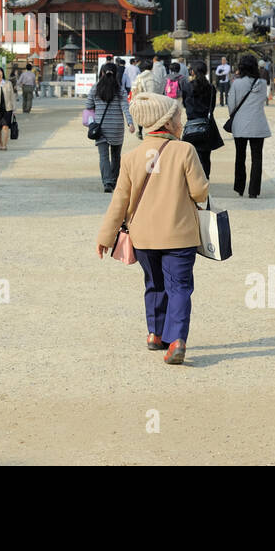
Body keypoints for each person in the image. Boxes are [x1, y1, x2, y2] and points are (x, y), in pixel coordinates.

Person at [96, 93, 209, 366]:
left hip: (143, 237)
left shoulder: (132, 157)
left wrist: (105, 237)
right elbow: (200, 192)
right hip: (179, 234)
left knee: (154, 283)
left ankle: (155, 333)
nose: (180, 122)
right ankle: (177, 340)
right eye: (177, 117)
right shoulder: (185, 151)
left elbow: (120, 201)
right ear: (167, 122)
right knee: (179, 287)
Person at [85, 62, 136, 192]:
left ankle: (107, 182)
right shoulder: (120, 89)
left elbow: (88, 105)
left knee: (103, 156)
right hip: (116, 127)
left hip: (101, 127)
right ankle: (114, 180)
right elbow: (125, 107)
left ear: (102, 73)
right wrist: (130, 123)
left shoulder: (95, 88)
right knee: (116, 155)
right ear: (116, 73)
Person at [227, 53, 271, 197]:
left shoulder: (236, 83)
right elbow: (262, 100)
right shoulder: (262, 83)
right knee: (257, 158)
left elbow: (231, 105)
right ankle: (254, 191)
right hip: (258, 124)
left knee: (240, 157)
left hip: (240, 124)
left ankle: (239, 188)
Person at [182, 60, 220, 178]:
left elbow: (185, 104)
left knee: (192, 157)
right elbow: (212, 107)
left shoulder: (187, 86)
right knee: (205, 157)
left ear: (192, 71)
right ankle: (205, 179)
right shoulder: (211, 87)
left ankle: (194, 180)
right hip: (206, 125)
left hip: (192, 125)